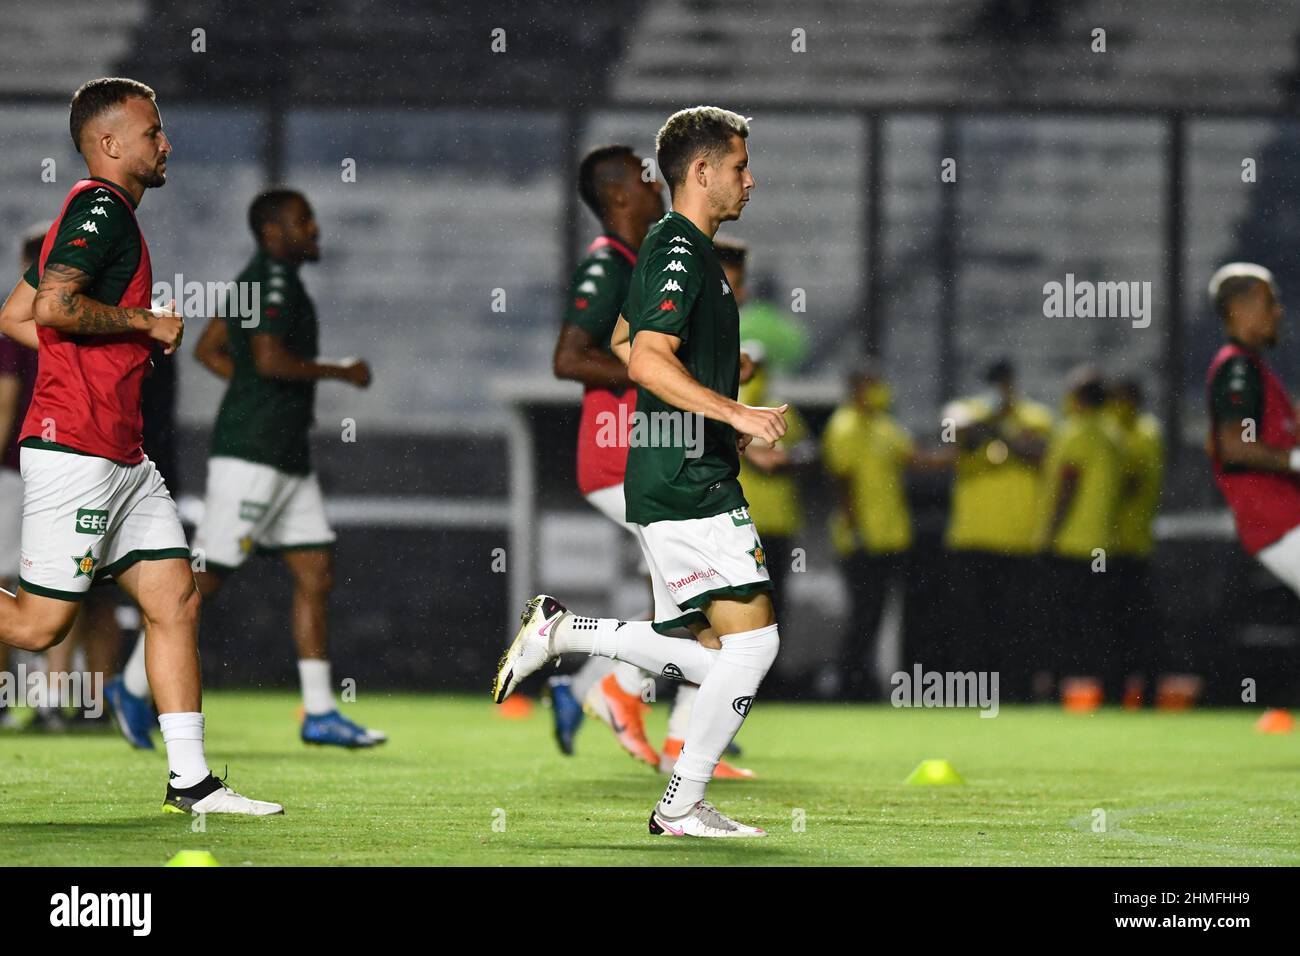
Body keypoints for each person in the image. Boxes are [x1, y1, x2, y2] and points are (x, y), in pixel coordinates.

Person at [494, 106, 783, 837]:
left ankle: (562, 634)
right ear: (703, 171)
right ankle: (681, 803)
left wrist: (700, 411)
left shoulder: (669, 245)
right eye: (740, 166)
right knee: (754, 645)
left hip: (674, 465)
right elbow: (646, 356)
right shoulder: (683, 251)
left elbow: (625, 339)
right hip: (685, 476)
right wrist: (731, 413)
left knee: (706, 649)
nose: (750, 180)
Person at [0, 76, 280, 814]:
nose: (166, 143)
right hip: (80, 451)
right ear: (110, 144)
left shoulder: (104, 212)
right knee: (36, 625)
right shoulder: (99, 205)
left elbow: (19, 313)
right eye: (152, 132)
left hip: (121, 454)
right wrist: (143, 325)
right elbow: (55, 306)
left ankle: (190, 780)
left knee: (174, 597)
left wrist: (78, 359)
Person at [156, 188, 380, 748]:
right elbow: (270, 359)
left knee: (315, 573)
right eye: (305, 221)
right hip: (254, 454)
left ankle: (321, 713)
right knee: (205, 579)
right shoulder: (273, 282)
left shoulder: (254, 279)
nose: (315, 230)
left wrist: (253, 390)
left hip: (285, 455)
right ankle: (135, 689)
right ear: (274, 231)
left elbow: (208, 349)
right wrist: (341, 370)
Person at [1205, 262, 1300, 719]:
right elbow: (1235, 446)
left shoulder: (1254, 370)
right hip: (1277, 520)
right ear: (1240, 309)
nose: (1278, 312)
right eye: (1268, 302)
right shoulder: (1238, 370)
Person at [822, 364, 950, 699]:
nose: (880, 390)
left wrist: (957, 456)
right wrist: (854, 529)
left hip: (891, 536)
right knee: (862, 615)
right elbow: (841, 481)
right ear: (858, 388)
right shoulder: (845, 426)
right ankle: (848, 685)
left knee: (878, 614)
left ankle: (864, 682)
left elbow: (914, 459)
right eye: (872, 384)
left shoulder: (884, 425)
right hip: (861, 537)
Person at [941, 358, 1053, 697]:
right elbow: (952, 432)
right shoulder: (968, 411)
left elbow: (1038, 455)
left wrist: (1001, 430)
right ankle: (971, 692)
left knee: (1016, 624)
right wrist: (986, 420)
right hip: (971, 539)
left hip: (1019, 541)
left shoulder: (1035, 418)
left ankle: (1015, 692)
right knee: (971, 625)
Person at [1035, 366, 1122, 696]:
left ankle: (1056, 689)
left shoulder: (1074, 433)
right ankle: (1105, 689)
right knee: (1100, 621)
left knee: (1060, 621)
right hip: (1103, 544)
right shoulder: (1113, 434)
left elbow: (1068, 485)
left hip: (1071, 543)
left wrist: (1049, 533)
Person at [1106, 378, 1164, 707]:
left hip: (1131, 546)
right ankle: (1117, 692)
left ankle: (1144, 693)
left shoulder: (1142, 432)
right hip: (1114, 546)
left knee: (1135, 628)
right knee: (1118, 627)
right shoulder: (1129, 431)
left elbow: (1128, 483)